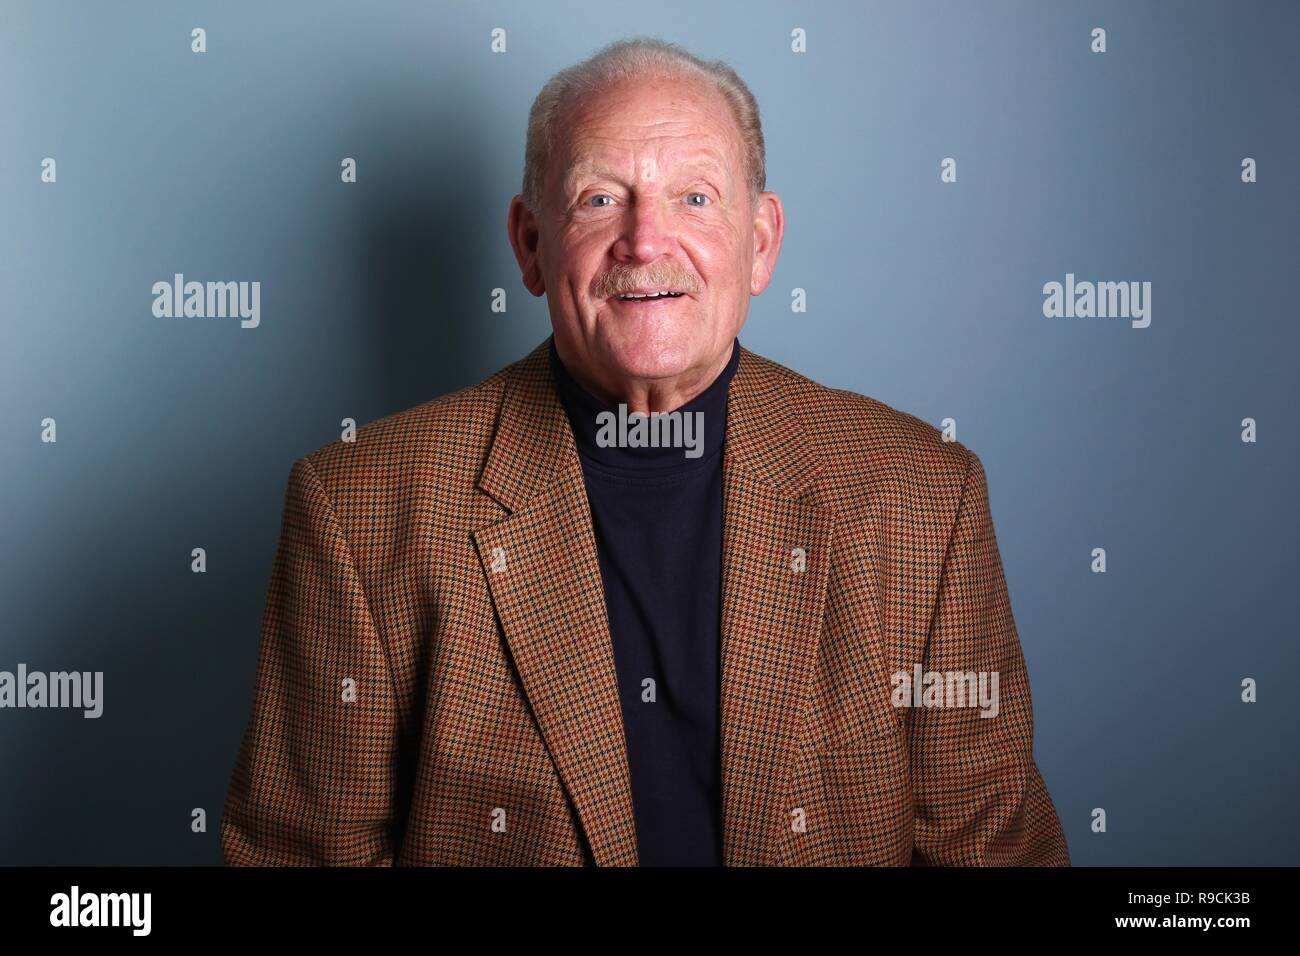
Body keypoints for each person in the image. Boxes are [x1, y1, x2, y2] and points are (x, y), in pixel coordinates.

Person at [220, 36, 1069, 866]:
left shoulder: (924, 496)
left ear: (762, 242)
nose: (644, 241)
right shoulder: (357, 507)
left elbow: (992, 848)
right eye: (598, 199)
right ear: (530, 244)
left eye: (696, 198)